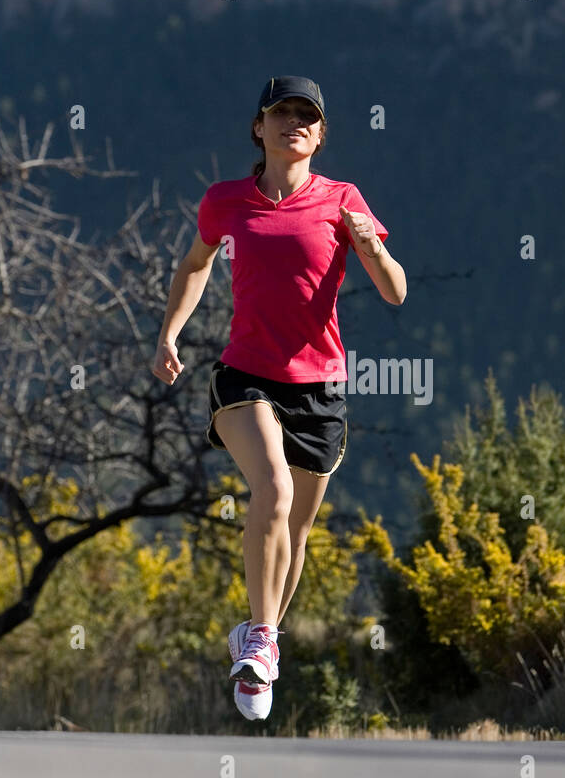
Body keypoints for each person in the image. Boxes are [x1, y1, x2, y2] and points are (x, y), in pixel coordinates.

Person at [152, 76, 407, 721]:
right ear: (258, 129)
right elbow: (193, 265)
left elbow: (395, 291)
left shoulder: (343, 200)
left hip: (319, 385)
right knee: (273, 490)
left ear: (319, 136)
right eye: (281, 112)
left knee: (296, 530)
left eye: (306, 116)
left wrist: (369, 244)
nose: (294, 122)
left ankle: (261, 637)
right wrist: (170, 334)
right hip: (246, 377)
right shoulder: (226, 201)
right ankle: (262, 640)